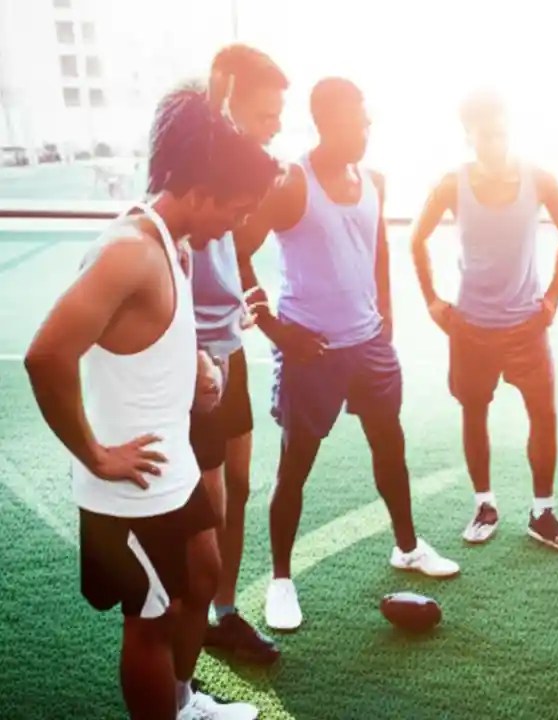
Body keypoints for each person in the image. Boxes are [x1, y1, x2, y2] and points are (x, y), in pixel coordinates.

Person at [25, 90, 276, 719]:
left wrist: (194, 371)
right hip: (133, 486)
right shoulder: (129, 252)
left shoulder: (175, 243)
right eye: (236, 209)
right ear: (201, 192)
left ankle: (184, 703)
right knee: (150, 624)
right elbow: (46, 356)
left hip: (174, 469)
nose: (236, 225)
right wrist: (95, 455)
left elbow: (146, 334)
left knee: (203, 573)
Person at [236, 78, 459, 633]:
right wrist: (275, 330)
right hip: (311, 350)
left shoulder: (374, 179)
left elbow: (378, 245)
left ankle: (406, 546)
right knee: (296, 468)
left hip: (369, 346)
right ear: (328, 123)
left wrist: (385, 312)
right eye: (358, 120)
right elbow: (237, 252)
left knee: (391, 449)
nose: (367, 128)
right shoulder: (290, 182)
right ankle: (281, 580)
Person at [409, 91, 558, 553]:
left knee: (543, 416)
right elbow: (417, 239)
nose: (496, 142)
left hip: (528, 325)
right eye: (487, 134)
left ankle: (542, 512)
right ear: (470, 136)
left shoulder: (538, 179)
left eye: (502, 132)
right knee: (474, 411)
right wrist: (432, 301)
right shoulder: (452, 185)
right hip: (471, 327)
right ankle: (484, 504)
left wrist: (553, 298)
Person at [189, 43, 288, 665]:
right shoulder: (193, 166)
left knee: (240, 488)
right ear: (225, 98)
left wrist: (247, 298)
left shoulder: (247, 173)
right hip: (193, 364)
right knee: (203, 507)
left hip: (231, 348)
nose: (276, 125)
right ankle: (189, 626)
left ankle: (224, 614)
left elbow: (237, 247)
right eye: (266, 113)